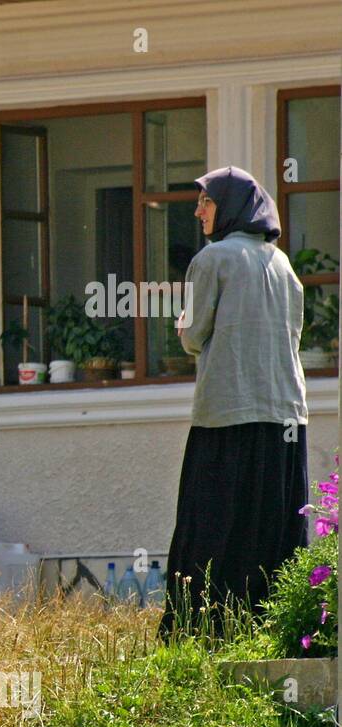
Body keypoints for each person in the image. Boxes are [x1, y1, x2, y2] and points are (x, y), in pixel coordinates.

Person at [159, 166, 308, 637]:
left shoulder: (213, 259)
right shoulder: (283, 265)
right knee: (271, 532)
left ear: (232, 207)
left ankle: (202, 633)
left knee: (212, 528)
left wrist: (184, 324)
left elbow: (193, 336)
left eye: (207, 201)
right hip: (286, 417)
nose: (199, 210)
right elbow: (295, 336)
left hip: (227, 416)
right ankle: (271, 629)